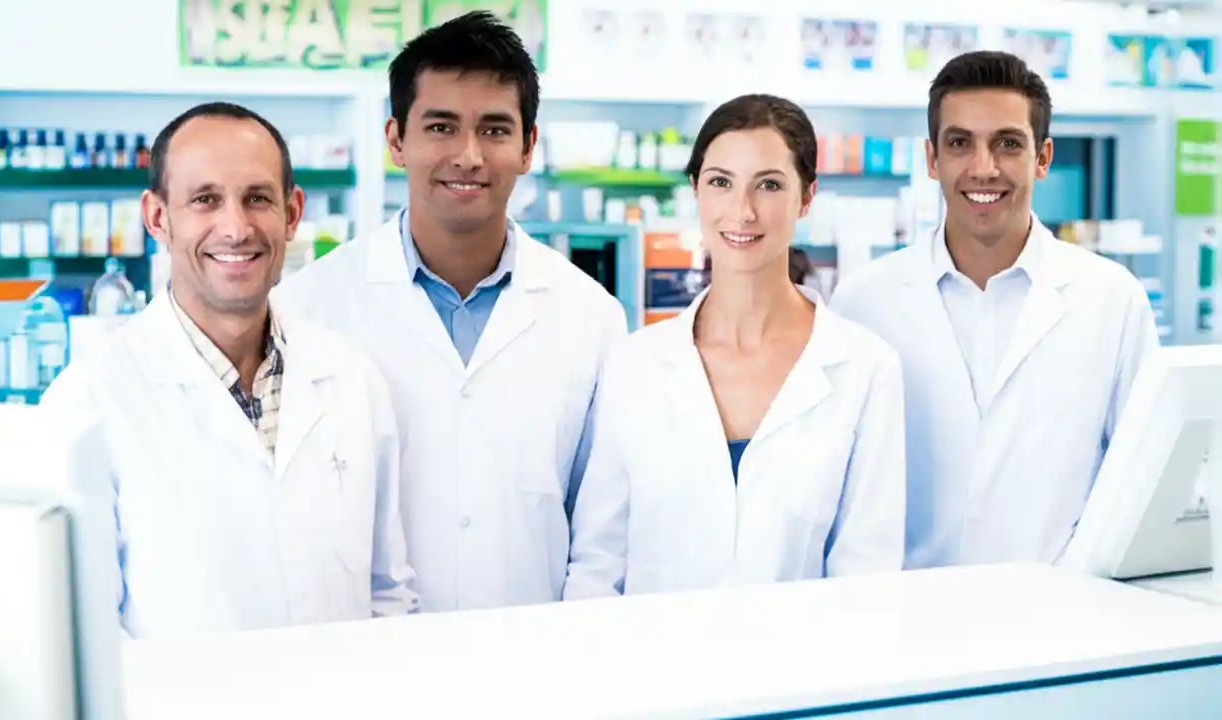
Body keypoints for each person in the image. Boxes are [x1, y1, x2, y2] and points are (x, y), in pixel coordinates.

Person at [271, 12, 628, 612]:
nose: (468, 155)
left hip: (538, 661)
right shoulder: (309, 307)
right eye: (440, 126)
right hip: (369, 661)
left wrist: (578, 648)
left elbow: (602, 530)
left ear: (527, 146)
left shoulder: (591, 315)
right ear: (396, 141)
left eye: (494, 129)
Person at [40, 102, 419, 639]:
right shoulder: (88, 401)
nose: (236, 228)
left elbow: (388, 592)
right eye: (205, 200)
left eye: (257, 198)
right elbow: (85, 632)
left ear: (291, 214)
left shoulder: (352, 378)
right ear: (157, 218)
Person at [563, 94, 906, 599]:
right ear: (696, 192)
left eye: (768, 185)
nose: (742, 212)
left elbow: (867, 578)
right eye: (720, 182)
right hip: (650, 668)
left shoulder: (866, 368)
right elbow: (598, 563)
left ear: (806, 198)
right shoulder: (635, 364)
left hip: (807, 671)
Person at [830, 51, 1160, 570]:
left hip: (1066, 619)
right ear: (932, 159)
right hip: (904, 620)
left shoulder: (1112, 300)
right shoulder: (863, 302)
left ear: (1043, 157)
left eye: (1008, 144)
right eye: (960, 143)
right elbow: (835, 488)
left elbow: (1144, 480)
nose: (984, 168)